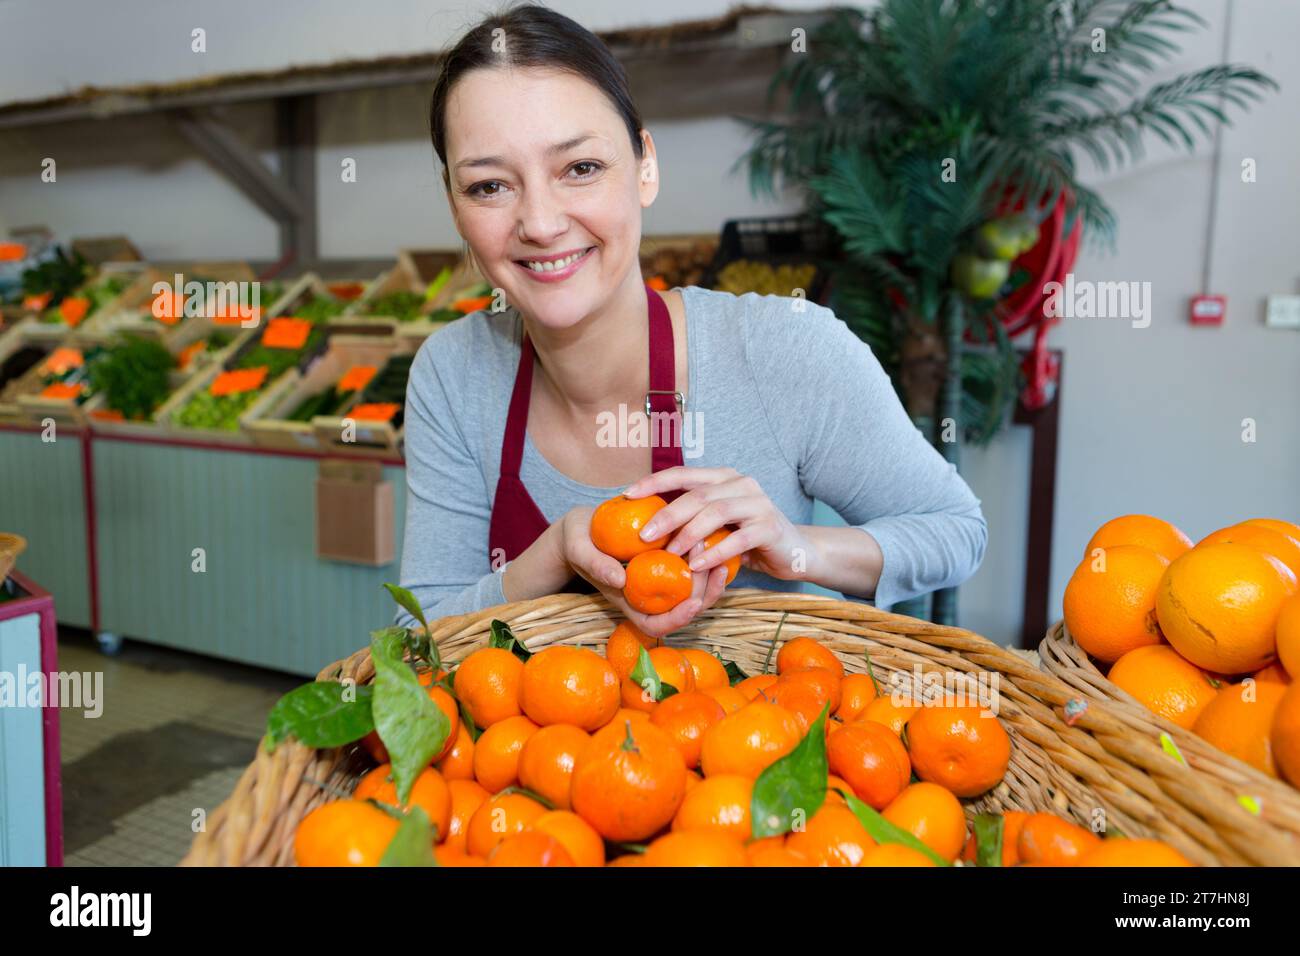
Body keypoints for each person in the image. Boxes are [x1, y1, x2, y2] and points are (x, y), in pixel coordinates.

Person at [396, 4, 986, 638]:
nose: (539, 223)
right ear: (454, 205)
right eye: (489, 186)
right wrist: (551, 557)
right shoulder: (453, 374)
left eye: (581, 168)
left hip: (761, 733)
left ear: (645, 165)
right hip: (553, 737)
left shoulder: (781, 347)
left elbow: (954, 529)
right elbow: (419, 638)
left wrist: (796, 549)